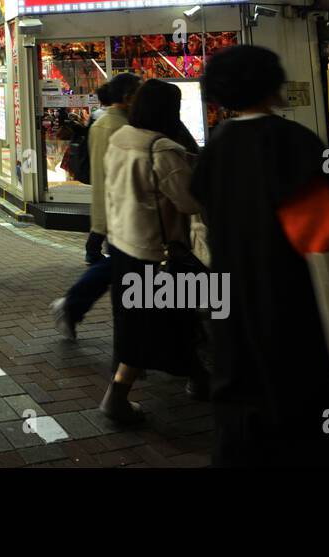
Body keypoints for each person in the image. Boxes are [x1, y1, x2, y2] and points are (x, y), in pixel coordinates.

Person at [190, 45, 329, 467]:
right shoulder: (289, 141)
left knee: (243, 405)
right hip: (293, 300)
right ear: (271, 84)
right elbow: (324, 232)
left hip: (232, 300)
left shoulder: (216, 146)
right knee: (311, 407)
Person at [100, 79, 207, 424]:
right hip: (158, 255)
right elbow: (189, 201)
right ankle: (116, 397)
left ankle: (199, 376)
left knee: (154, 321)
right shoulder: (162, 149)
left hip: (122, 247)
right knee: (173, 317)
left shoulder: (119, 139)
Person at [51, 72, 141, 339]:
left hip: (111, 206)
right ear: (127, 97)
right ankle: (72, 306)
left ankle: (73, 307)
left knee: (119, 265)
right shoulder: (121, 127)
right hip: (123, 208)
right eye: (138, 92)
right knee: (121, 266)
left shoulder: (103, 122)